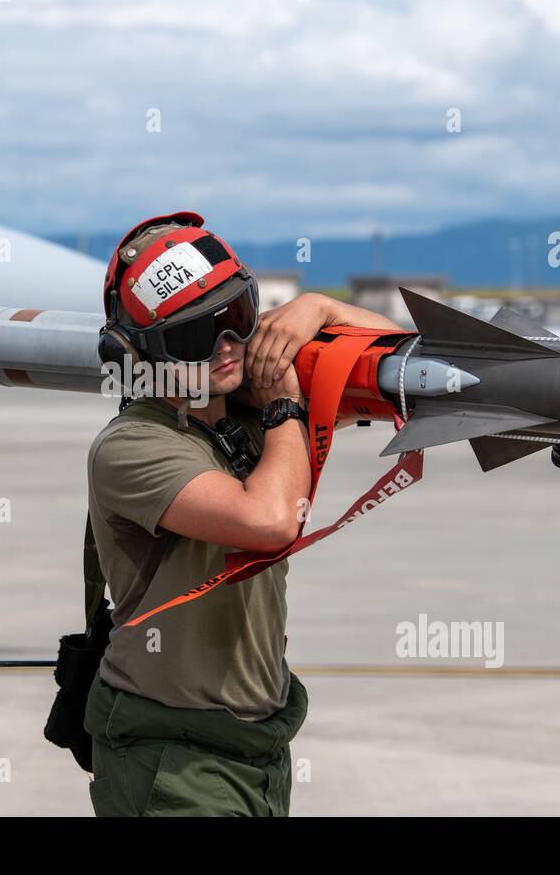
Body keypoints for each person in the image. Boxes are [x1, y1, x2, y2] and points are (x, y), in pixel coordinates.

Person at [85, 211, 395, 816]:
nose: (228, 348)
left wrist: (320, 309)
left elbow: (399, 366)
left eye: (238, 318)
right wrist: (284, 406)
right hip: (173, 756)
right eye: (196, 336)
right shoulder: (131, 448)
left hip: (255, 745)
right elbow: (270, 520)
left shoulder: (238, 422)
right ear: (138, 353)